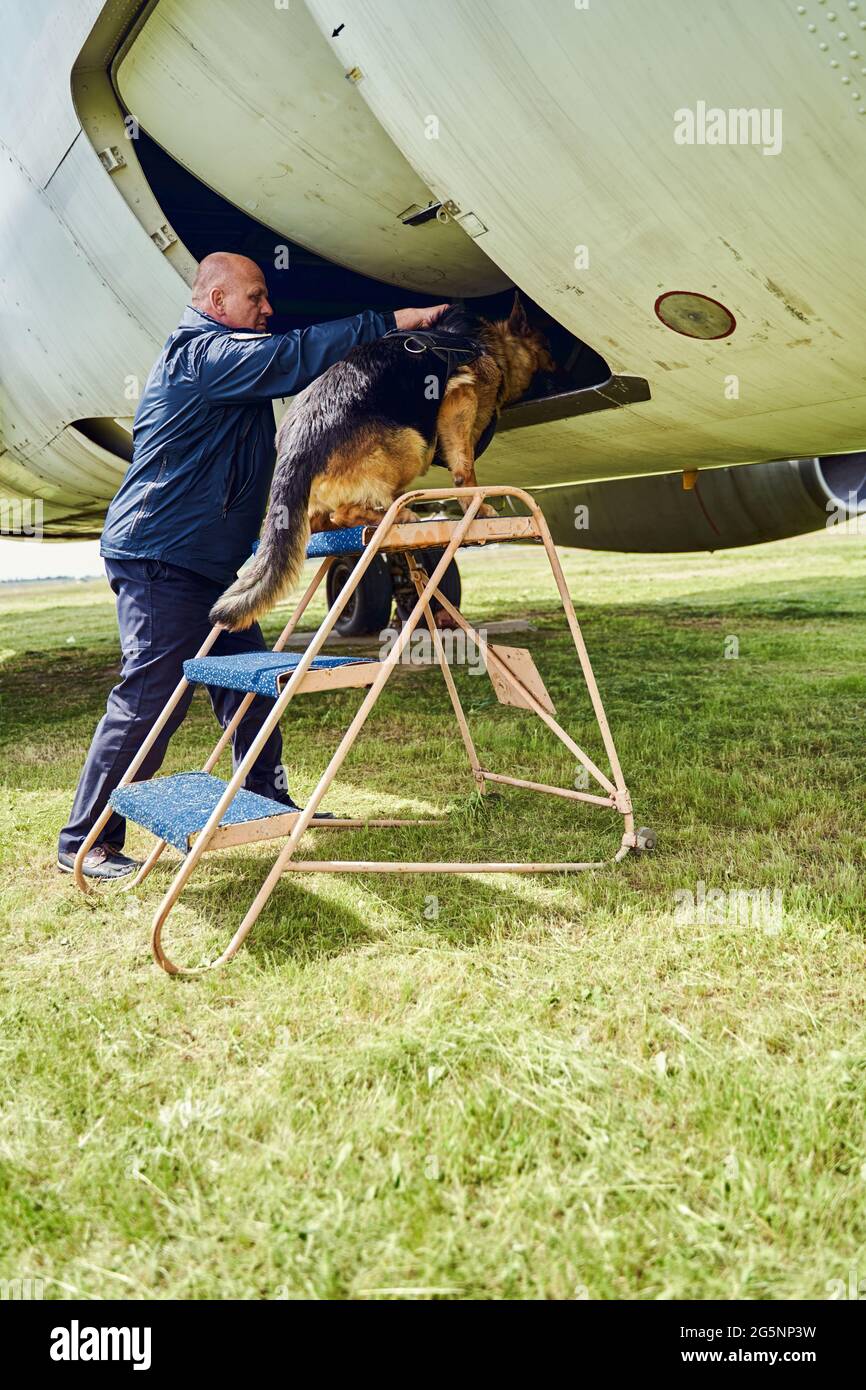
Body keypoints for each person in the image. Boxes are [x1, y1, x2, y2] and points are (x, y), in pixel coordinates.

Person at [58, 251, 448, 879]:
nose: (268, 308)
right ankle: (86, 841)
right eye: (256, 297)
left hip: (214, 564)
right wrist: (390, 321)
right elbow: (293, 357)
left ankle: (269, 800)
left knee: (249, 686)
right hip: (162, 557)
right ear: (216, 303)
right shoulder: (201, 356)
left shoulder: (224, 359)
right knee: (151, 696)